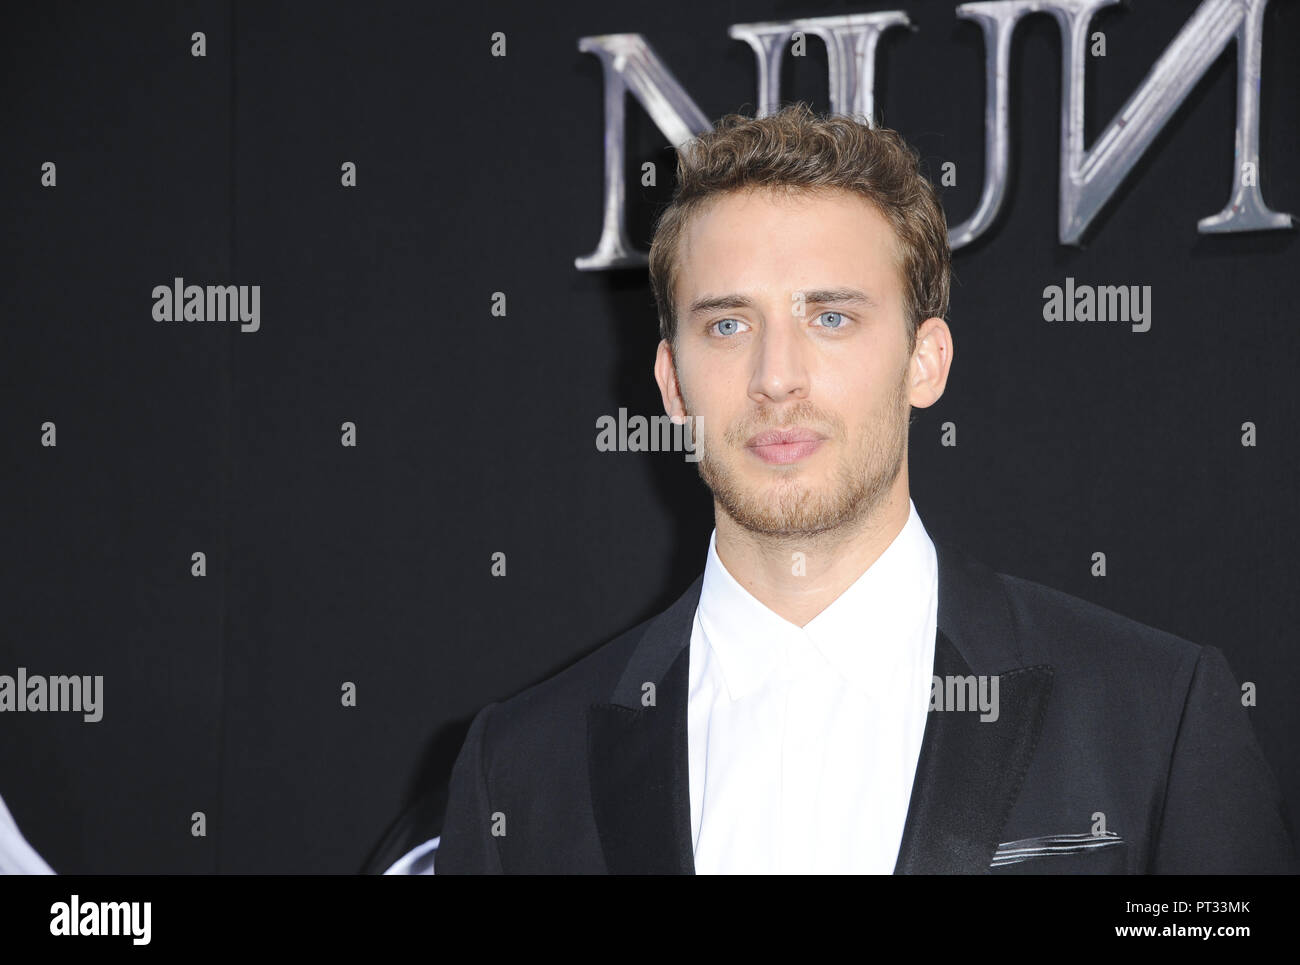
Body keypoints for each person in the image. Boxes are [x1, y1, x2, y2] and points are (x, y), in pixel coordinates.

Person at [435, 101, 1295, 874]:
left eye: (831, 317)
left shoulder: (1155, 714)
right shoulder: (518, 767)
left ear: (926, 360)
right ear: (670, 383)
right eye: (729, 324)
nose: (778, 378)